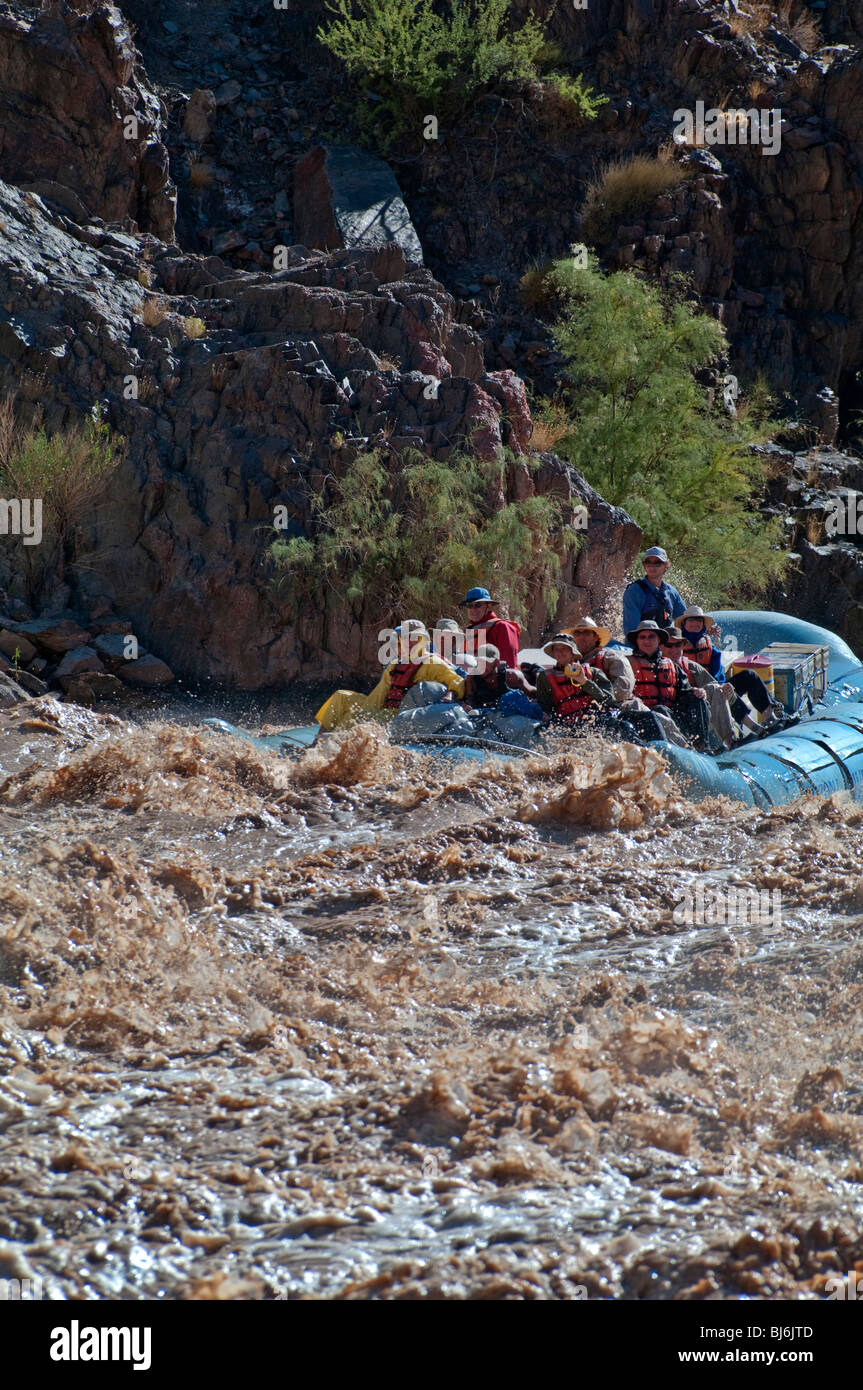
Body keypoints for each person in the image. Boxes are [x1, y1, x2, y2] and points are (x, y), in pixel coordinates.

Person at [315, 620, 465, 730]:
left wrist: (450, 694)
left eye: (416, 638)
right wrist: (368, 710)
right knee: (341, 696)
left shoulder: (433, 663)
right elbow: (379, 695)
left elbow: (458, 683)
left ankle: (336, 744)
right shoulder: (396, 663)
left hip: (399, 714)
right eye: (406, 638)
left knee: (354, 717)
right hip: (383, 708)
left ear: (423, 640)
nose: (410, 643)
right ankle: (320, 739)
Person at [674, 606, 796, 733]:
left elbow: (718, 672)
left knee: (749, 675)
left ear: (703, 624)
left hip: (714, 685)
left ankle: (771, 718)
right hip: (694, 694)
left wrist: (722, 685)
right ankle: (755, 728)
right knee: (721, 692)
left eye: (699, 620)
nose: (695, 623)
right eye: (691, 620)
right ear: (684, 623)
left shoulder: (708, 643)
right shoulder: (676, 645)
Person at [626, 620, 708, 748]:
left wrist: (697, 692)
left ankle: (702, 745)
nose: (647, 640)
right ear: (637, 641)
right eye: (642, 637)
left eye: (651, 636)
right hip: (644, 719)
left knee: (696, 699)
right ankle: (671, 749)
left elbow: (685, 693)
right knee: (660, 709)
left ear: (659, 640)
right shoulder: (627, 664)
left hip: (673, 716)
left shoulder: (672, 666)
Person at [660, 626, 738, 750]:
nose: (674, 649)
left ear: (683, 647)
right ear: (661, 647)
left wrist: (728, 692)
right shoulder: (655, 667)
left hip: (696, 718)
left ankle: (732, 742)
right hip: (669, 719)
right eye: (669, 645)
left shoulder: (691, 667)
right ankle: (699, 748)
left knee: (715, 688)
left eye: (678, 645)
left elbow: (718, 689)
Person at [534, 634, 616, 726]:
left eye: (564, 648)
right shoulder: (545, 677)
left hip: (595, 720)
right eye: (556, 649)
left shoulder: (593, 672)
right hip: (565, 724)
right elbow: (545, 708)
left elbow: (609, 701)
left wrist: (584, 681)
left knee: (624, 726)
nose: (560, 652)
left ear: (573, 652)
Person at [563, 617, 635, 704]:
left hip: (618, 707)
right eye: (577, 633)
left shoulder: (610, 657)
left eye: (586, 633)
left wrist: (598, 700)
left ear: (596, 637)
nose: (581, 637)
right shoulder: (570, 664)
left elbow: (623, 689)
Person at [622, 547, 687, 635]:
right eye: (648, 563)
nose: (652, 566)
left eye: (657, 563)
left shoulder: (671, 592)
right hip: (643, 643)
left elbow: (685, 620)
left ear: (666, 566)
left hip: (666, 645)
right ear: (644, 566)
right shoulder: (634, 591)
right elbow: (632, 628)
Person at [458, 587, 521, 669]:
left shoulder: (502, 627)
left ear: (489, 606)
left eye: (477, 605)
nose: (473, 609)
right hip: (471, 678)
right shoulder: (468, 630)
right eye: (470, 606)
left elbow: (508, 663)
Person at [463, 643, 536, 709]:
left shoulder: (512, 677)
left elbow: (532, 693)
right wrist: (467, 707)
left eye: (485, 662)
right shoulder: (472, 679)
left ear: (496, 663)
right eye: (479, 662)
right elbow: (470, 701)